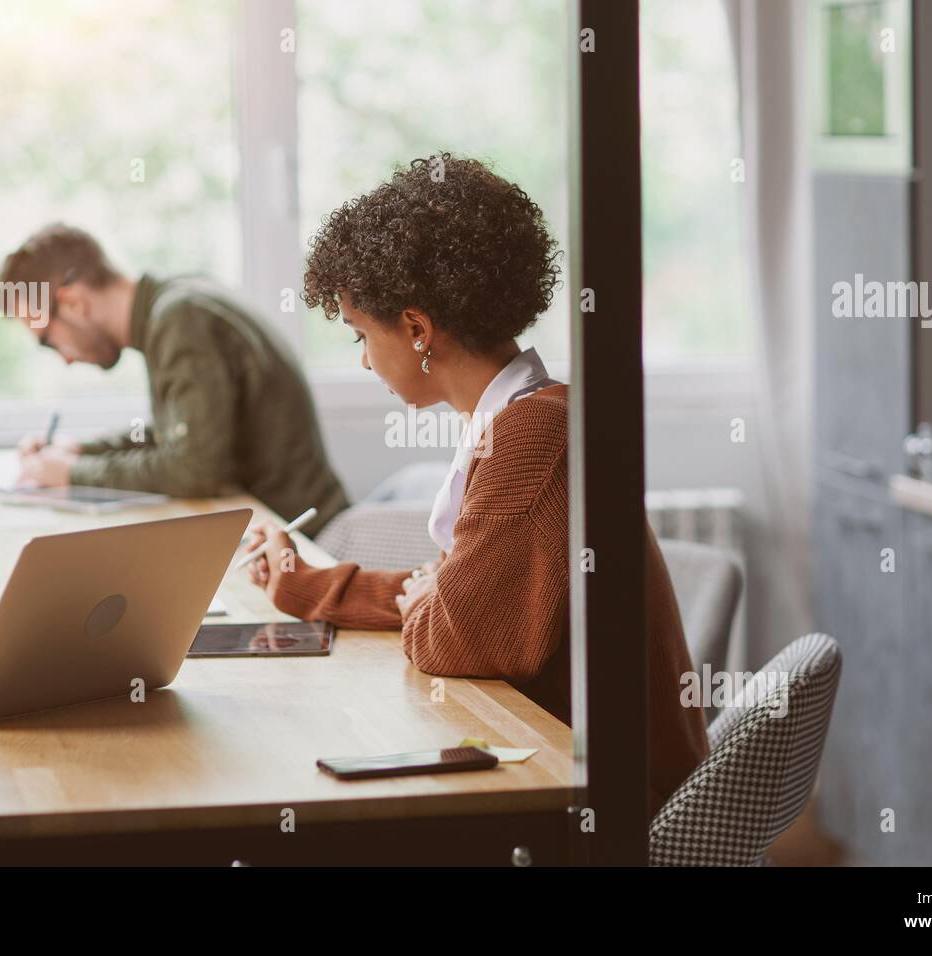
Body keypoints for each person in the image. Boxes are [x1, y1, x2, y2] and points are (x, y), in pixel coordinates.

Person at [243, 154, 709, 811]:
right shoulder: (527, 414)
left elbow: (452, 635)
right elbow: (453, 597)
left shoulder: (532, 438)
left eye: (360, 335)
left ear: (416, 329)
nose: (364, 358)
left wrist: (437, 604)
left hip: (611, 808)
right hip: (562, 766)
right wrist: (303, 581)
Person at [0, 225, 348, 536]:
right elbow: (185, 434)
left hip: (308, 541)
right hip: (285, 531)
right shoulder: (179, 298)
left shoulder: (179, 320)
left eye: (47, 340)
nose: (65, 358)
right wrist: (79, 453)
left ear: (72, 302)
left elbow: (195, 469)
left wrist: (74, 473)